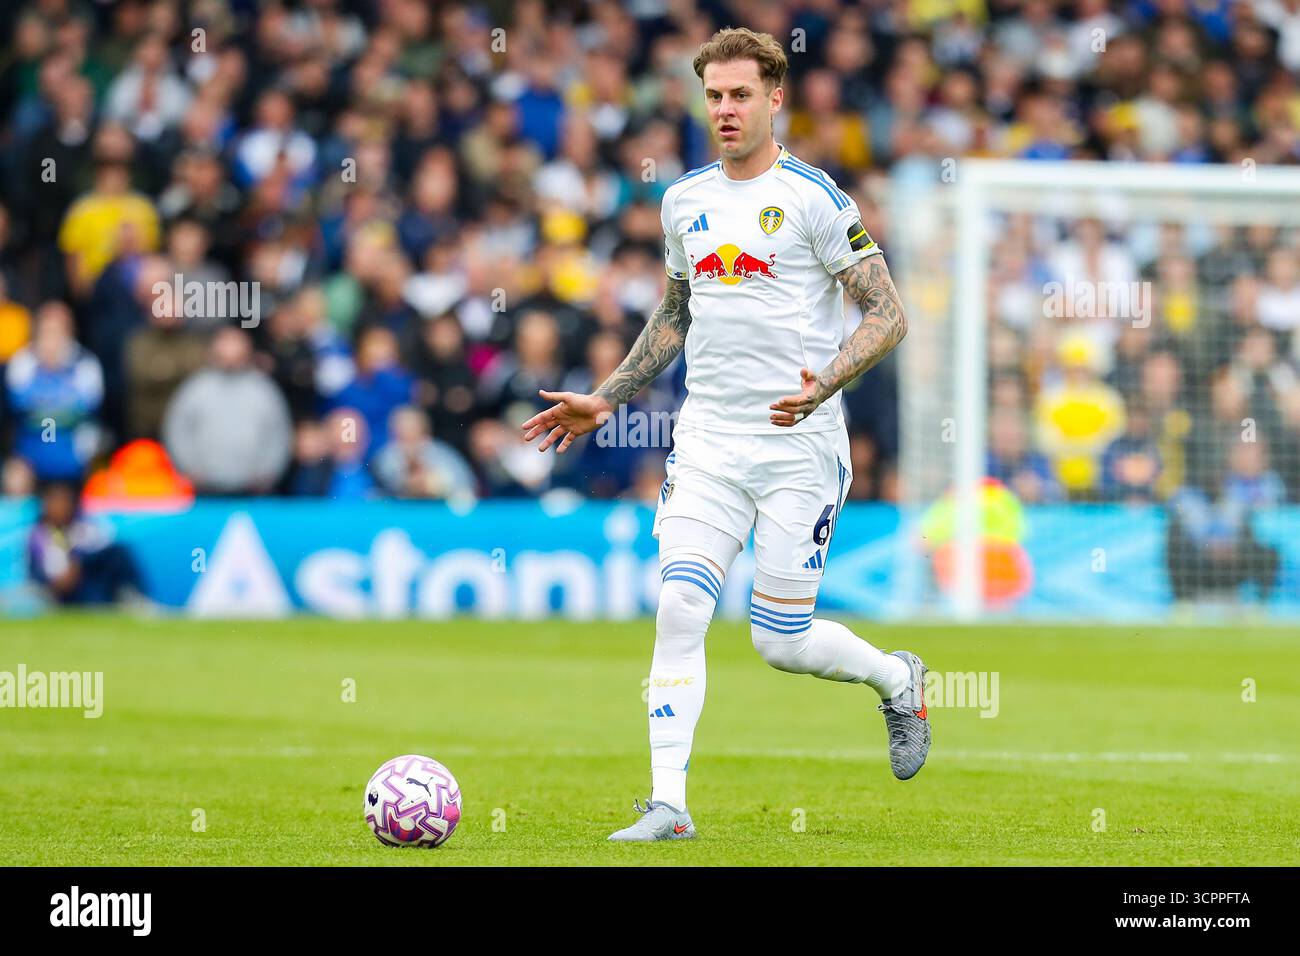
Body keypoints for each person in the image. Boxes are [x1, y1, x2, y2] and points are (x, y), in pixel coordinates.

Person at [521, 28, 928, 843]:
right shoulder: (685, 201)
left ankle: (896, 679)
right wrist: (607, 398)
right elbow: (676, 314)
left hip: (798, 448)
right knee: (678, 605)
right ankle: (668, 804)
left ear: (776, 98)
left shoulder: (814, 198)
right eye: (714, 96)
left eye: (741, 95)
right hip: (707, 437)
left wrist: (827, 381)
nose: (726, 110)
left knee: (780, 640)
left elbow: (888, 312)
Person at [27, 481, 146, 606]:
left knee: (118, 552)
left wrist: (78, 562)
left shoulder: (82, 527)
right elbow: (44, 573)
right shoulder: (38, 535)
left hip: (85, 583)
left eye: (64, 501)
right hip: (57, 592)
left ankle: (131, 595)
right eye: (55, 501)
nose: (60, 506)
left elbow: (103, 546)